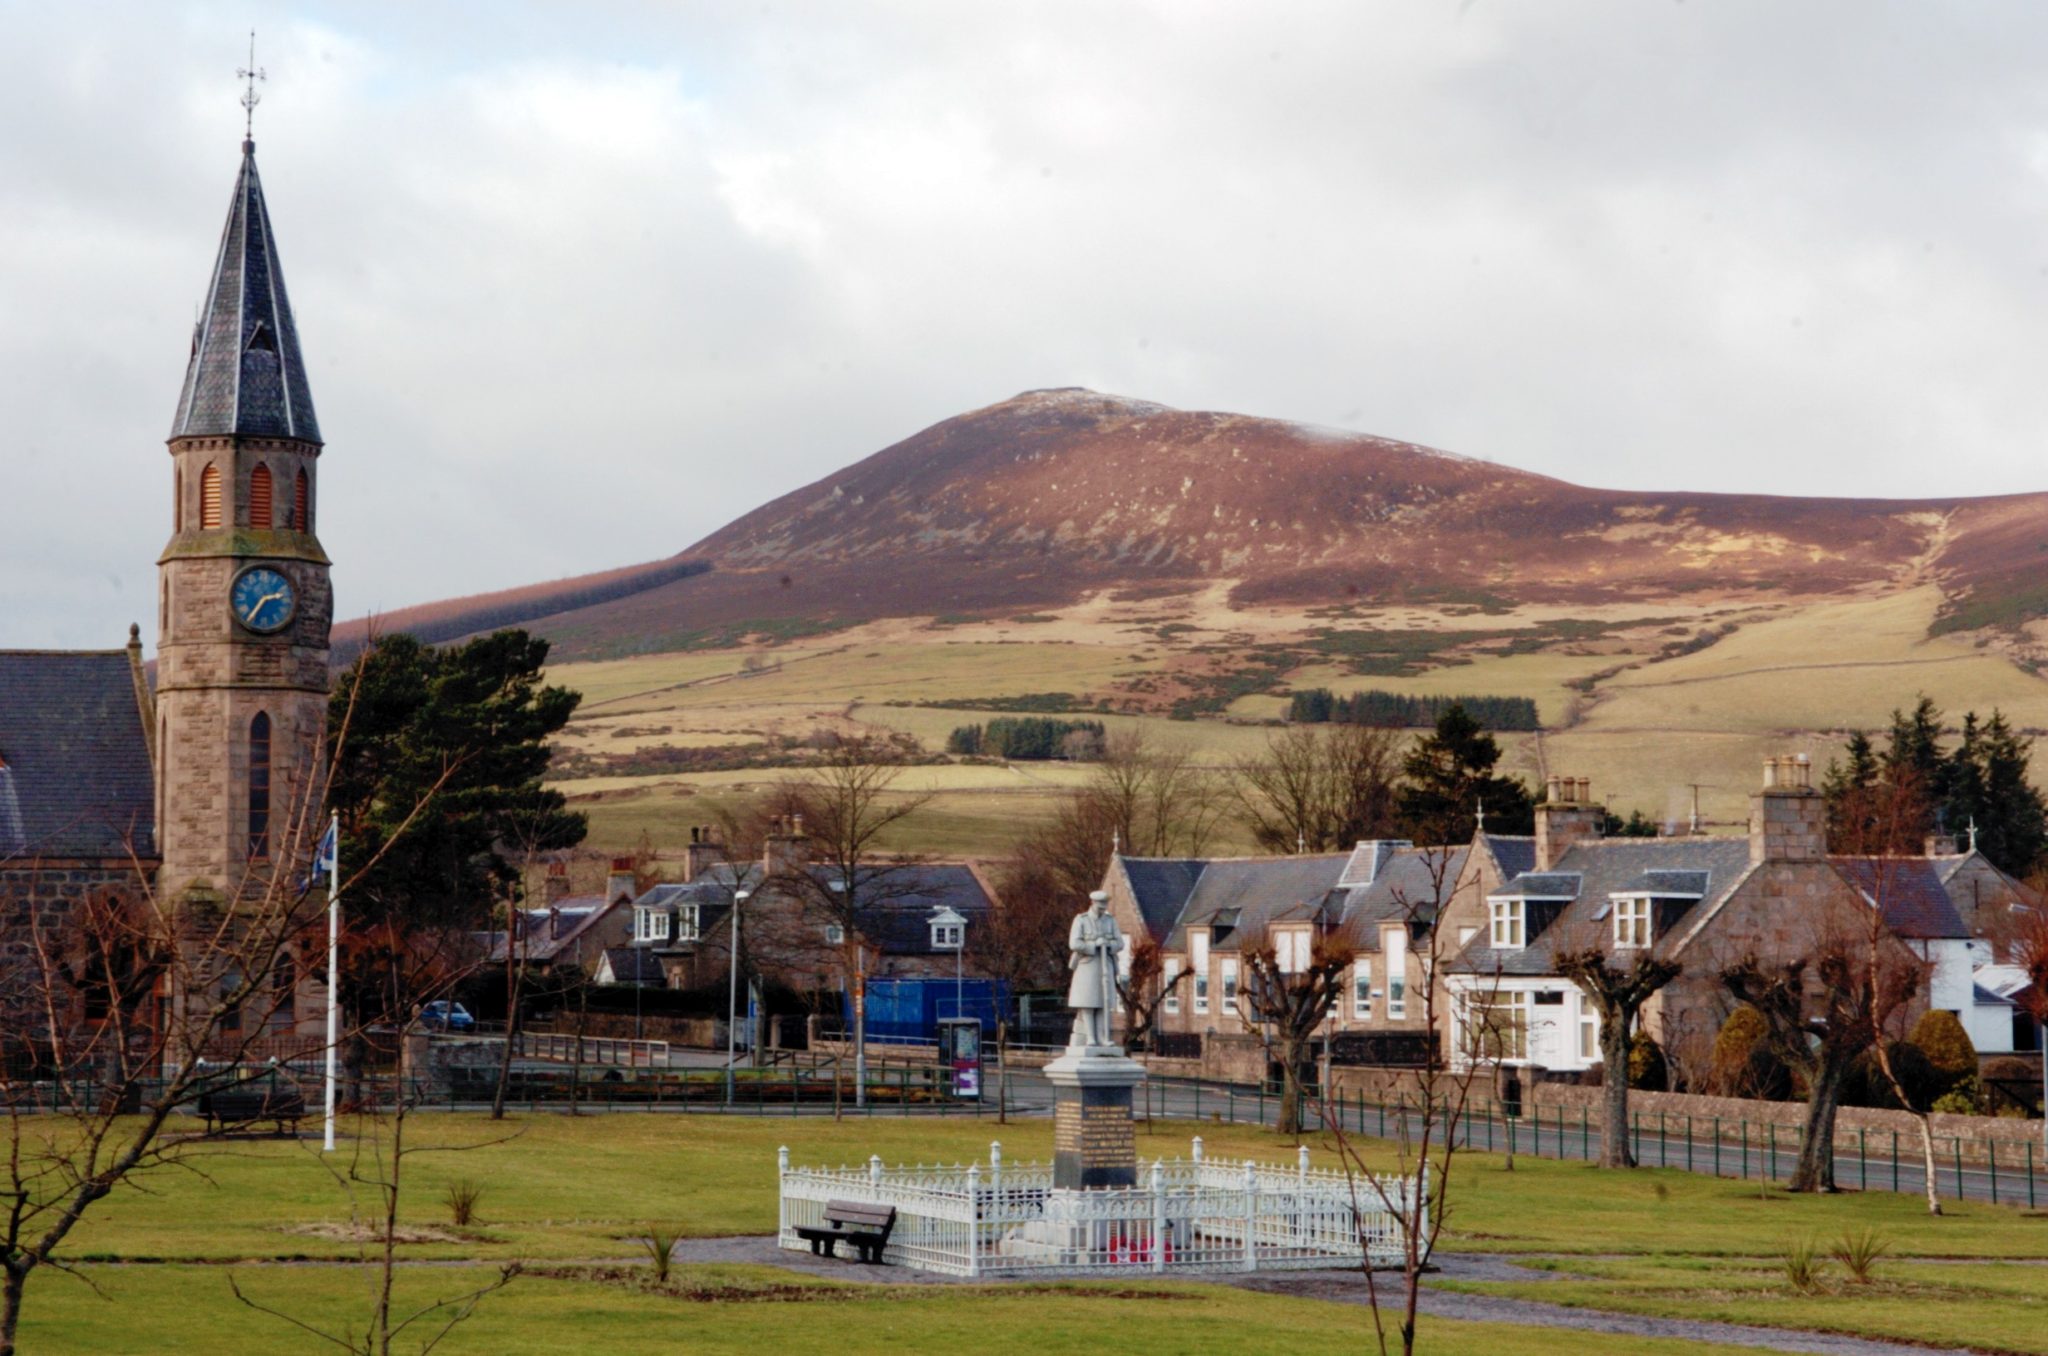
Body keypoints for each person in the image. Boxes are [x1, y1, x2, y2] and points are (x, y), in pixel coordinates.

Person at [1066, 891, 1123, 1049]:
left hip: (1106, 964)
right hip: (1087, 964)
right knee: (1088, 1002)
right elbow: (1074, 944)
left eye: (1104, 906)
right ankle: (1091, 1037)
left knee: (1103, 1002)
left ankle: (1104, 1037)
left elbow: (1120, 943)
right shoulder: (1081, 920)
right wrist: (1094, 945)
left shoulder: (1110, 921)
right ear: (1093, 903)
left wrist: (1109, 944)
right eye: (1100, 906)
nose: (1102, 910)